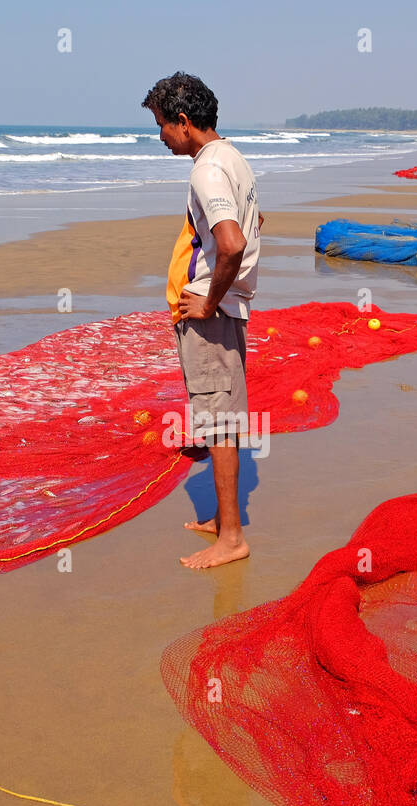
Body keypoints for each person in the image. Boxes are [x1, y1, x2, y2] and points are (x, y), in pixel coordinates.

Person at [142, 72, 261, 569]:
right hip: (226, 307)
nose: (161, 137)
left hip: (211, 313)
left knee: (220, 424)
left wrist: (210, 301)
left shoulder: (206, 171)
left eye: (162, 126)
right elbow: (253, 227)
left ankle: (231, 538)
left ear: (184, 122)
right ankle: (223, 519)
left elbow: (231, 242)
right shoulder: (233, 158)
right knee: (221, 417)